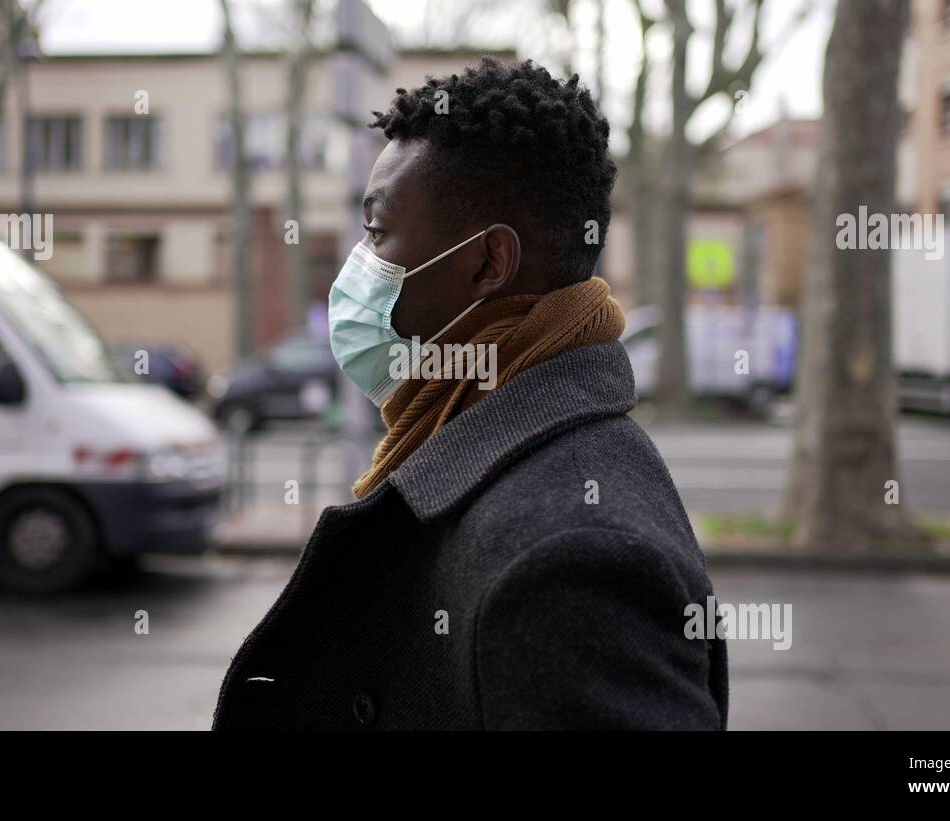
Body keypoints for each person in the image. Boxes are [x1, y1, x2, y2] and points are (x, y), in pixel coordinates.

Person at [212, 57, 728, 730]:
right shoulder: (503, 453)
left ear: (488, 263)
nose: (354, 273)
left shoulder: (570, 558)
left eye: (377, 233)